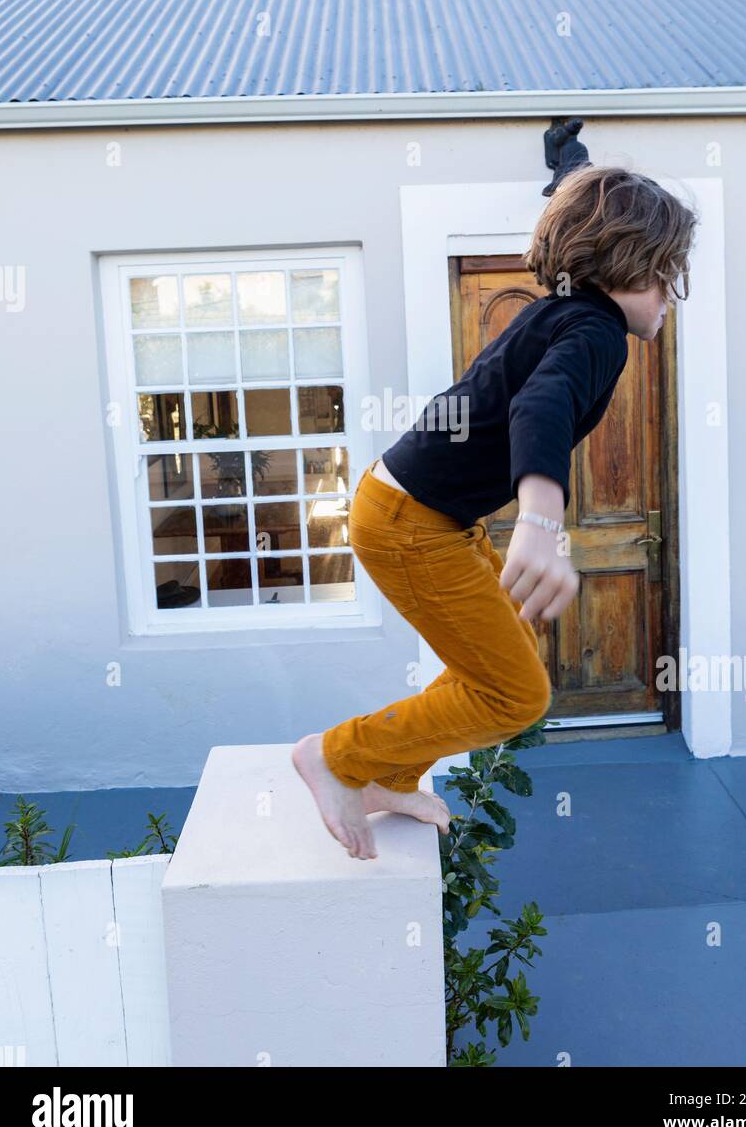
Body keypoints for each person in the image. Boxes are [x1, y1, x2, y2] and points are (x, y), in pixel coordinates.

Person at [293, 164, 697, 859]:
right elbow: (539, 406)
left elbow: (524, 402)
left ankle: (385, 775)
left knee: (501, 652)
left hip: (422, 513)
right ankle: (335, 757)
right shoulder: (596, 332)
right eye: (667, 275)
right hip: (410, 524)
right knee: (515, 695)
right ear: (631, 264)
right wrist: (543, 520)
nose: (671, 296)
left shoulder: (563, 313)